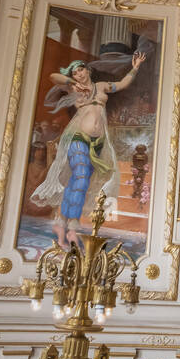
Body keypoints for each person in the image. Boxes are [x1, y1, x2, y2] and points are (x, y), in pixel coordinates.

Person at [29, 51, 145, 247]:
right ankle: (73, 224)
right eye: (74, 73)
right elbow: (53, 77)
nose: (79, 74)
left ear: (87, 70)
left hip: (98, 142)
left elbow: (123, 84)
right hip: (77, 137)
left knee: (79, 180)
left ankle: (62, 223)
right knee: (81, 174)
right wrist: (69, 82)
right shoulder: (73, 88)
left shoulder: (101, 87)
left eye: (80, 69)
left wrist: (135, 67)